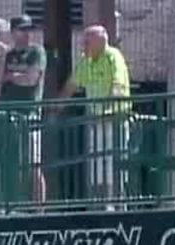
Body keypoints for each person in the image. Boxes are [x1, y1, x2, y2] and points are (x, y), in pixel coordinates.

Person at [55, 25, 133, 203]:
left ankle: (117, 206)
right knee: (97, 168)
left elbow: (117, 86)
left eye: (87, 42)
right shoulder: (86, 61)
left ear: (100, 42)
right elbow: (71, 85)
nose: (83, 46)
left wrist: (107, 109)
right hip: (96, 122)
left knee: (115, 165)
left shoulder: (113, 57)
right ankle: (99, 206)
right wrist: (55, 107)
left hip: (115, 121)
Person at [0, 14, 48, 202]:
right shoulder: (8, 54)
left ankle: (39, 209)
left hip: (29, 116)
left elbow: (31, 79)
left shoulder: (36, 52)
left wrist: (11, 76)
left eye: (28, 29)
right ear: (13, 32)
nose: (26, 33)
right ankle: (12, 205)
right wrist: (2, 57)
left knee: (33, 164)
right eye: (21, 29)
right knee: (9, 163)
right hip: (7, 117)